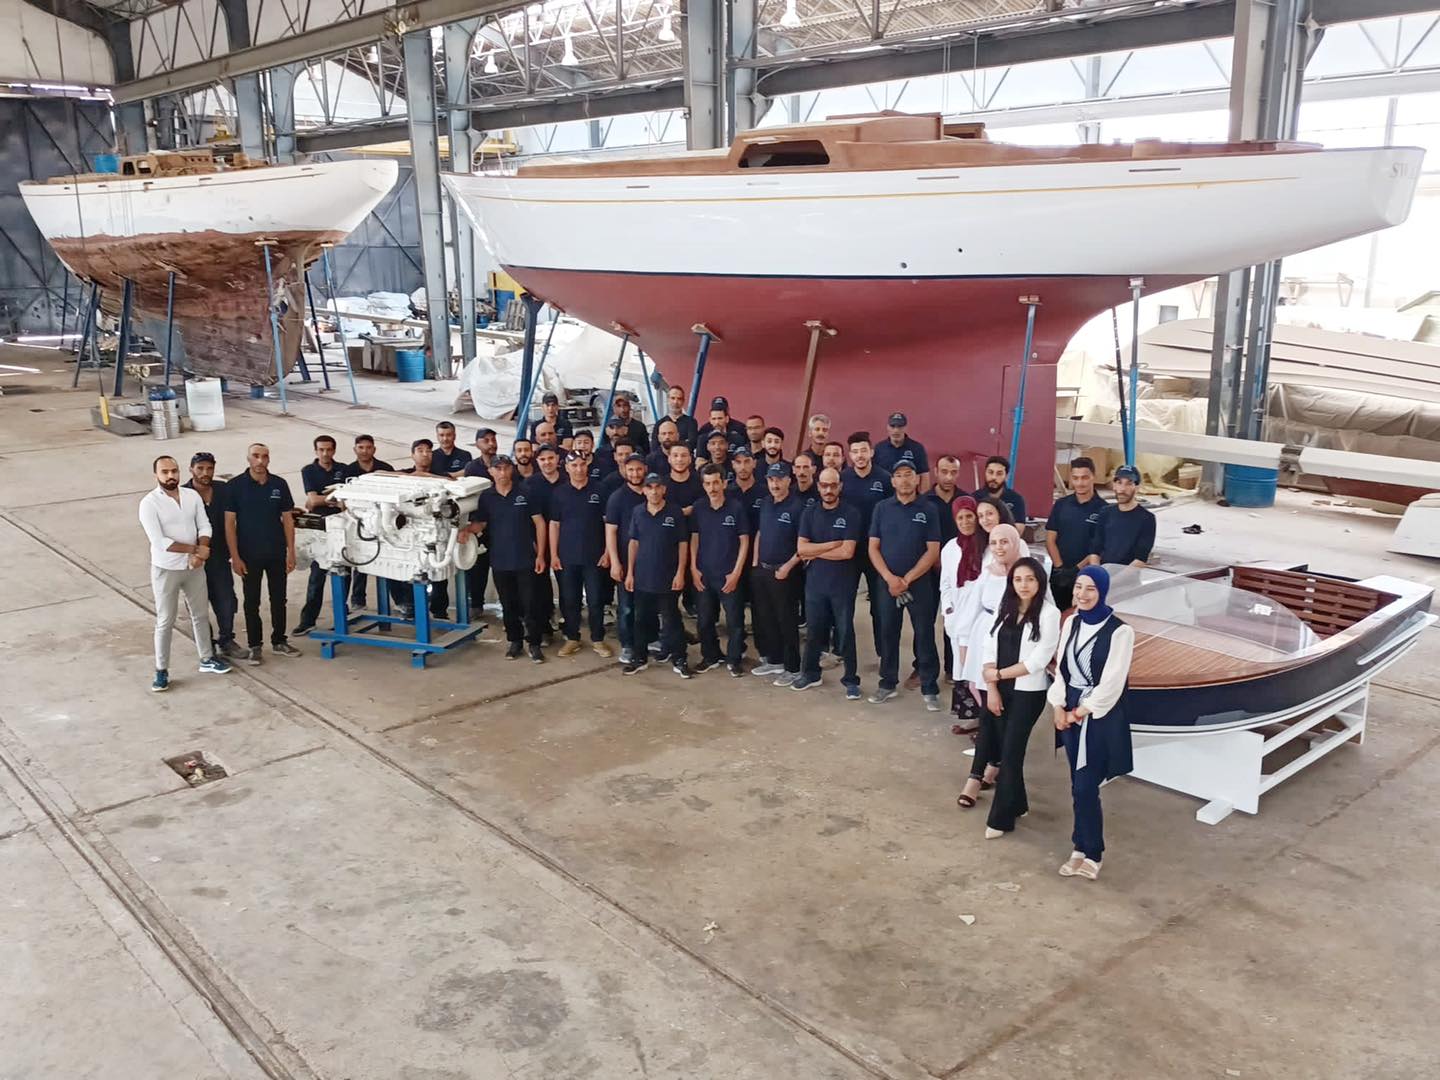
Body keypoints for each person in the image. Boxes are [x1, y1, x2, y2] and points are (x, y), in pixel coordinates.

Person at [956, 558, 1060, 835]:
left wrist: (999, 676)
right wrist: (991, 688)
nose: (1023, 585)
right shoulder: (1005, 608)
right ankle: (1018, 803)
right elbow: (989, 646)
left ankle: (1000, 819)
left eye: (1030, 579)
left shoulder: (1049, 614)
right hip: (998, 689)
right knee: (1002, 746)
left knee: (1012, 753)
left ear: (1040, 582)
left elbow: (1038, 661)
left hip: (1028, 693)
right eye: (1018, 579)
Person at [1048, 565, 1135, 880]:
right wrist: (1058, 705)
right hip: (1069, 708)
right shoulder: (1071, 622)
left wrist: (1078, 712)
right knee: (1076, 784)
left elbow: (1112, 684)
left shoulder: (1120, 631)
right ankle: (1078, 848)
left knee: (1086, 785)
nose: (1082, 595)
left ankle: (1092, 851)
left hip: (1095, 716)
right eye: (1079, 587)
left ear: (1102, 592)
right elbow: (1062, 670)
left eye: (1090, 589)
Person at [140, 456, 232, 690]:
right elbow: (160, 541)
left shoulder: (191, 496)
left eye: (174, 471)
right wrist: (196, 549)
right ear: (156, 475)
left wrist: (201, 552)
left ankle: (207, 658)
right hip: (166, 569)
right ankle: (161, 671)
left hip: (194, 567)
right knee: (165, 620)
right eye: (165, 472)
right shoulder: (149, 503)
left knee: (200, 615)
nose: (171, 476)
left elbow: (205, 525)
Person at [949, 524, 1027, 790]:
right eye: (994, 543)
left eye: (1005, 542)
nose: (999, 548)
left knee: (1005, 705)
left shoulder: (1027, 573)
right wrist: (964, 647)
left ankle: (996, 764)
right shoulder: (986, 573)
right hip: (985, 638)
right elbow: (970, 610)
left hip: (1015, 641)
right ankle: (989, 764)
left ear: (1016, 542)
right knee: (986, 703)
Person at [866, 461, 942, 708]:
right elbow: (873, 547)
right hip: (887, 584)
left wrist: (907, 579)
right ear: (893, 481)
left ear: (916, 479)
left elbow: (932, 551)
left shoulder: (928, 509)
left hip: (919, 583)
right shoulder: (882, 508)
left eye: (909, 475)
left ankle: (930, 687)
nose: (904, 480)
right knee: (888, 632)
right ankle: (887, 683)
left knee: (924, 633)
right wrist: (889, 578)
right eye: (898, 475)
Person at [466, 455, 547, 662]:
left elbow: (539, 523)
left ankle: (534, 643)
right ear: (491, 472)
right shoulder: (486, 497)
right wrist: (465, 531)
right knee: (508, 604)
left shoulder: (526, 492)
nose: (502, 473)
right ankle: (515, 641)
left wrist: (540, 555)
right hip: (500, 560)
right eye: (498, 469)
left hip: (526, 559)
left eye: (506, 468)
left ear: (511, 470)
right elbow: (481, 524)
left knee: (530, 604)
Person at [224, 443, 299, 664]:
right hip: (249, 555)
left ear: (269, 459)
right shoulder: (235, 486)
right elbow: (229, 524)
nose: (260, 461)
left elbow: (287, 519)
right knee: (251, 601)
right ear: (248, 458)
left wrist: (291, 552)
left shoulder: (279, 484)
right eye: (255, 456)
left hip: (276, 552)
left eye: (264, 457)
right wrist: (235, 557)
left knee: (279, 598)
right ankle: (255, 646)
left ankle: (279, 641)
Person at [794, 467, 862, 698]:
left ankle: (851, 680)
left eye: (833, 485)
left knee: (845, 632)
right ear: (818, 486)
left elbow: (847, 552)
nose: (828, 490)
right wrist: (832, 545)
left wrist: (816, 551)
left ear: (840, 486)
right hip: (815, 584)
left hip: (842, 585)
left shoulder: (851, 513)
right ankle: (810, 673)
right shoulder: (810, 513)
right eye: (824, 485)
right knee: (814, 632)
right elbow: (802, 549)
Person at [625, 474, 691, 677]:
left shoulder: (674, 513)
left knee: (671, 620)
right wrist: (630, 572)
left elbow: (683, 544)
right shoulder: (638, 512)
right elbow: (633, 543)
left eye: (657, 487)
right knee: (641, 619)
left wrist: (680, 572)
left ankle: (679, 658)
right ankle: (639, 658)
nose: (653, 491)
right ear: (644, 490)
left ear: (664, 489)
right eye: (649, 487)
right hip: (643, 577)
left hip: (668, 578)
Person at [689, 464, 751, 675]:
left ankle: (734, 660)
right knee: (704, 620)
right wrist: (693, 568)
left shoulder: (736, 508)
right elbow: (694, 539)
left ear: (724, 483)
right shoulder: (698, 507)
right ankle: (711, 656)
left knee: (734, 621)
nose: (712, 488)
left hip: (728, 575)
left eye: (716, 482)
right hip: (704, 575)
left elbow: (744, 541)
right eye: (707, 483)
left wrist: (736, 573)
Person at [550, 450, 612, 658]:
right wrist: (554, 554)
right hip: (567, 557)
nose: (578, 469)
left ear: (587, 466)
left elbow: (608, 525)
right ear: (566, 468)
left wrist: (607, 552)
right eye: (574, 465)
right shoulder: (559, 493)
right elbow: (554, 525)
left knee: (595, 600)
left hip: (594, 557)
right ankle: (572, 638)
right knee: (570, 600)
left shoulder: (600, 490)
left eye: (582, 465)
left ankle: (598, 639)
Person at [183, 452, 242, 660]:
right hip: (194, 559)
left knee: (226, 600)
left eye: (209, 469)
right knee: (197, 605)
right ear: (191, 470)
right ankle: (206, 645)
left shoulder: (223, 490)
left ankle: (226, 640)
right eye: (200, 469)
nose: (205, 473)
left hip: (219, 557)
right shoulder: (183, 494)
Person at [750, 462, 804, 686]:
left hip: (785, 573)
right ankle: (775, 661)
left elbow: (804, 545)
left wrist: (787, 567)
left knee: (786, 620)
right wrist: (755, 563)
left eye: (779, 479)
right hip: (763, 570)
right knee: (767, 618)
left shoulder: (798, 507)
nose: (775, 484)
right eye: (771, 480)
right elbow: (760, 533)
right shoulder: (765, 503)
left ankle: (792, 668)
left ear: (788, 481)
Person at [840, 431, 893, 655]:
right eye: (855, 452)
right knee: (844, 605)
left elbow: (893, 512)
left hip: (877, 553)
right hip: (849, 552)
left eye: (863, 450)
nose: (860, 455)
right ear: (850, 455)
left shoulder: (885, 478)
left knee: (880, 608)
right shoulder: (843, 479)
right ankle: (843, 650)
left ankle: (884, 652)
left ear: (871, 452)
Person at [293, 435, 348, 636]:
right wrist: (334, 500)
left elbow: (347, 500)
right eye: (321, 450)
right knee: (317, 577)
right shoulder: (308, 471)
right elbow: (313, 501)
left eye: (329, 450)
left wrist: (324, 500)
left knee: (344, 575)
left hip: (343, 529)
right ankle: (307, 620)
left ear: (334, 450)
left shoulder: (344, 469)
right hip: (320, 530)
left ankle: (343, 617)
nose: (325, 454)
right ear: (316, 451)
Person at [939, 496, 986, 730]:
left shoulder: (986, 545)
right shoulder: (950, 548)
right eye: (960, 517)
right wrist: (948, 610)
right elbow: (946, 583)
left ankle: (988, 725)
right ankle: (974, 719)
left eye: (970, 516)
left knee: (979, 671)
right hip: (957, 618)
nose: (966, 522)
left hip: (979, 619)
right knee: (963, 670)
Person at [341, 435, 394, 609]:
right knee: (359, 562)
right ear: (355, 449)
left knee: (388, 562)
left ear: (374, 449)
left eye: (368, 447)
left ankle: (402, 602)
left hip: (384, 523)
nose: (365, 451)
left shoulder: (385, 469)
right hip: (357, 523)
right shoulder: (348, 471)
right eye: (361, 447)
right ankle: (357, 600)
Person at [606, 454, 649, 664]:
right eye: (630, 469)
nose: (635, 474)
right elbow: (611, 532)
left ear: (645, 469)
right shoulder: (617, 498)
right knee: (626, 607)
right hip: (625, 562)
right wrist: (615, 561)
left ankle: (649, 640)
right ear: (624, 470)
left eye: (639, 469)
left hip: (650, 562)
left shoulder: (652, 493)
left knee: (648, 607)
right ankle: (628, 645)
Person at [1046, 456, 1104, 609]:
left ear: (1093, 477)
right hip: (1059, 576)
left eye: (1085, 477)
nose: (1080, 483)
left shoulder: (1104, 510)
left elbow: (1099, 547)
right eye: (1075, 478)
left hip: (1087, 577)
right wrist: (1060, 568)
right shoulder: (1061, 505)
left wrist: (1076, 570)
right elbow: (1050, 539)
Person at [400, 439, 449, 619]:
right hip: (411, 533)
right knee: (409, 571)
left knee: (439, 574)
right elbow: (382, 474)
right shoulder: (404, 474)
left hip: (437, 533)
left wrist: (425, 477)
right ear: (412, 455)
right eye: (420, 450)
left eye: (428, 451)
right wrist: (415, 475)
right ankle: (410, 607)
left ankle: (439, 610)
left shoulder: (440, 475)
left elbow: (450, 481)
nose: (425, 454)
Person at [1086, 464, 1155, 568]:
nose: (1122, 489)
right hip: (1104, 575)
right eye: (1119, 482)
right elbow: (1095, 549)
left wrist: (1116, 581)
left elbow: (1140, 559)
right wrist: (1098, 574)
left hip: (1128, 580)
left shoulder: (1147, 519)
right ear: (1114, 485)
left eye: (1129, 483)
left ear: (1137, 487)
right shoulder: (1105, 512)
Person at [873, 412, 930, 492]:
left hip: (909, 497)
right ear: (887, 427)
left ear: (905, 428)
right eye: (892, 426)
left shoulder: (917, 448)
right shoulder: (879, 448)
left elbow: (924, 476)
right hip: (884, 498)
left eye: (900, 426)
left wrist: (923, 500)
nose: (896, 430)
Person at [974, 455, 1027, 523]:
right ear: (985, 473)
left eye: (999, 474)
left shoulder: (1016, 499)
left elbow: (1018, 528)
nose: (994, 477)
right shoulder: (974, 498)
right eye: (990, 472)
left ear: (1006, 476)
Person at [653, 383, 698, 450]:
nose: (675, 402)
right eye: (673, 398)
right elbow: (654, 446)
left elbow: (692, 444)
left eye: (679, 399)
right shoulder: (659, 424)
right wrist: (683, 442)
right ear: (668, 400)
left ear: (683, 401)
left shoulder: (691, 422)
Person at [665, 441, 703, 515]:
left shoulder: (701, 481)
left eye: (684, 455)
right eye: (675, 455)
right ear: (669, 459)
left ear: (690, 459)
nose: (679, 459)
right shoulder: (662, 484)